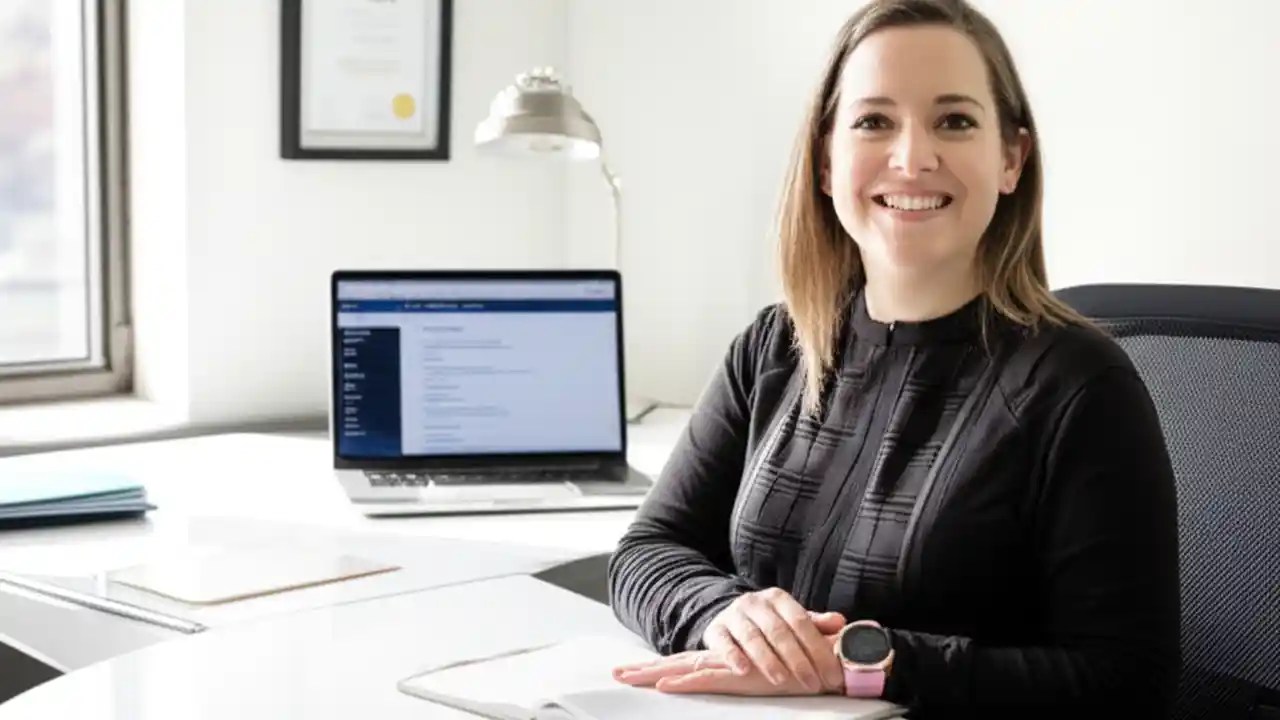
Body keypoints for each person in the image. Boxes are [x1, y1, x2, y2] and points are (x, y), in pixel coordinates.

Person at [606, 0, 1181, 716]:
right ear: (824, 161)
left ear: (1011, 159)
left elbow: (1127, 683)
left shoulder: (1078, 388)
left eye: (955, 121)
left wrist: (856, 664)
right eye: (874, 121)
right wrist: (721, 614)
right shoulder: (773, 349)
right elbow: (647, 550)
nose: (913, 158)